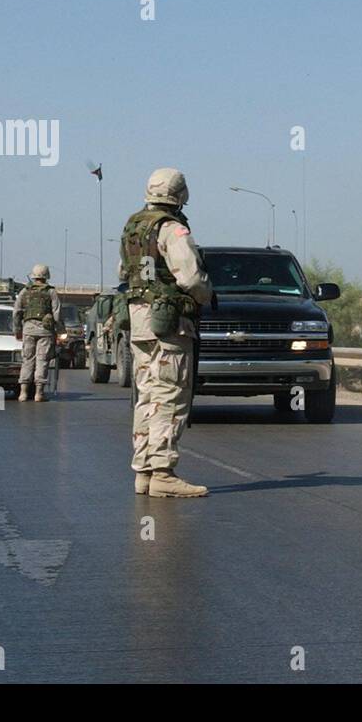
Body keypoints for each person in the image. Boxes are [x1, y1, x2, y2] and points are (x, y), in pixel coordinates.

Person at [119, 167, 214, 497]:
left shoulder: (133, 228)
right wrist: (207, 295)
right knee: (169, 395)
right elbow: (190, 277)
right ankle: (163, 472)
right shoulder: (172, 229)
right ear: (181, 194)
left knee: (146, 394)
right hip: (169, 323)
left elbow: (125, 272)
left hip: (140, 320)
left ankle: (144, 472)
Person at [13, 263, 60, 402]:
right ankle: (39, 393)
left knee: (27, 360)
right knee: (42, 360)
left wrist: (17, 330)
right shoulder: (51, 292)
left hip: (28, 329)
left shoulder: (24, 292)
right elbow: (56, 314)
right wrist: (57, 330)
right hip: (45, 331)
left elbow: (16, 312)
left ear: (33, 276)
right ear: (47, 276)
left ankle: (23, 393)